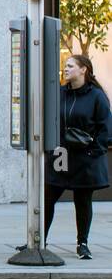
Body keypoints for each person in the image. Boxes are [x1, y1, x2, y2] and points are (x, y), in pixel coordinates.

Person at [44, 54, 112, 260]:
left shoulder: (96, 96)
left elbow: (106, 128)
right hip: (62, 155)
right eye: (65, 65)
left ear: (84, 70)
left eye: (70, 66)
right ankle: (39, 241)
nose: (65, 69)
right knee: (48, 198)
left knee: (82, 201)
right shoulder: (59, 93)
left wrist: (94, 151)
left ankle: (82, 244)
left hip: (85, 157)